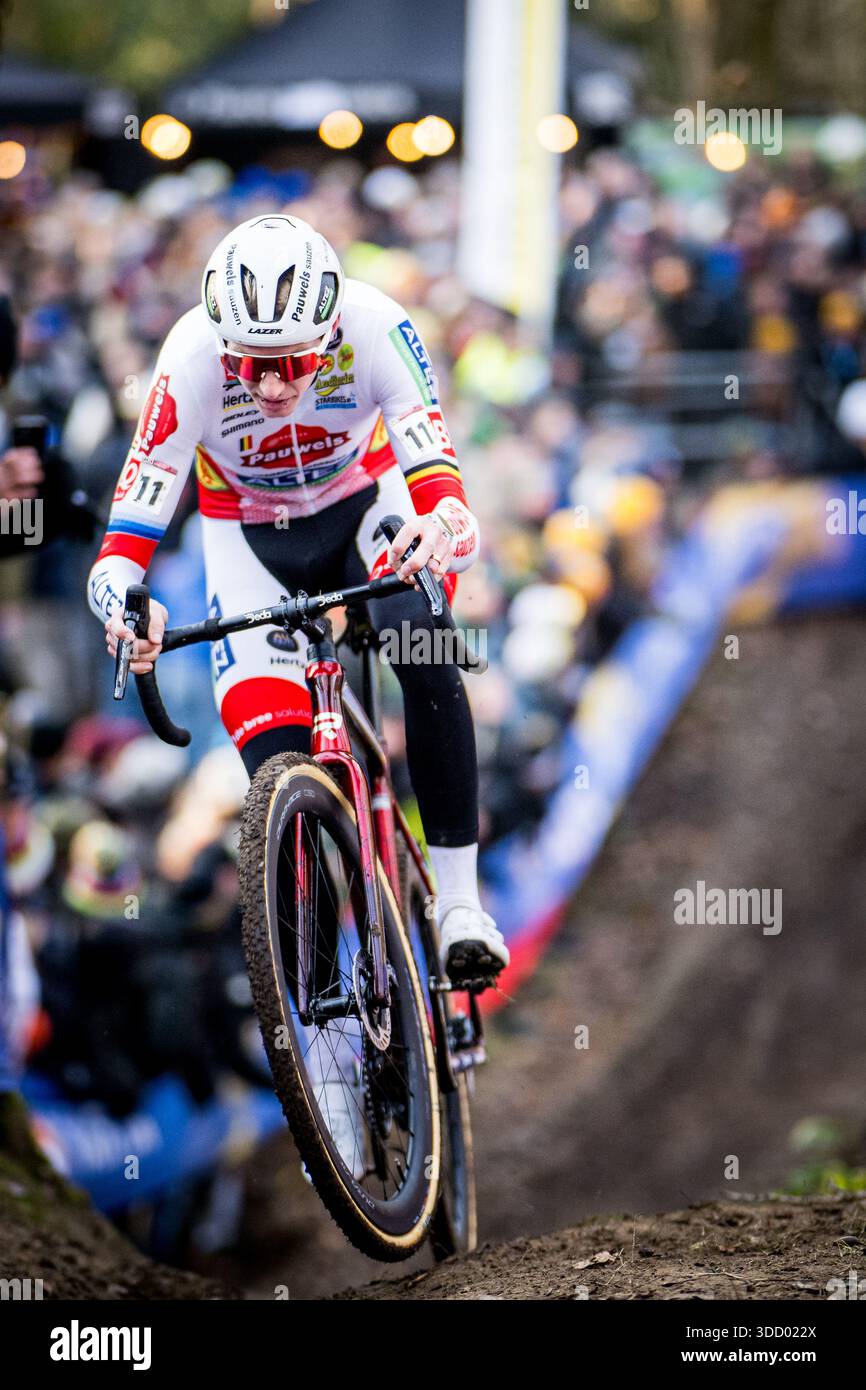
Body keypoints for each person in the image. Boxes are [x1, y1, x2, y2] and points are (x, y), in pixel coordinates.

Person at [88, 214, 509, 988]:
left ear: (331, 327)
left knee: (421, 634)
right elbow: (120, 550)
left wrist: (445, 526)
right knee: (274, 759)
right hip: (251, 540)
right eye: (252, 368)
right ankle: (312, 1000)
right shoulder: (188, 359)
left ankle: (459, 905)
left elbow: (443, 486)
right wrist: (127, 607)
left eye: (294, 362)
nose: (275, 386)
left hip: (368, 507)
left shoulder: (378, 324)